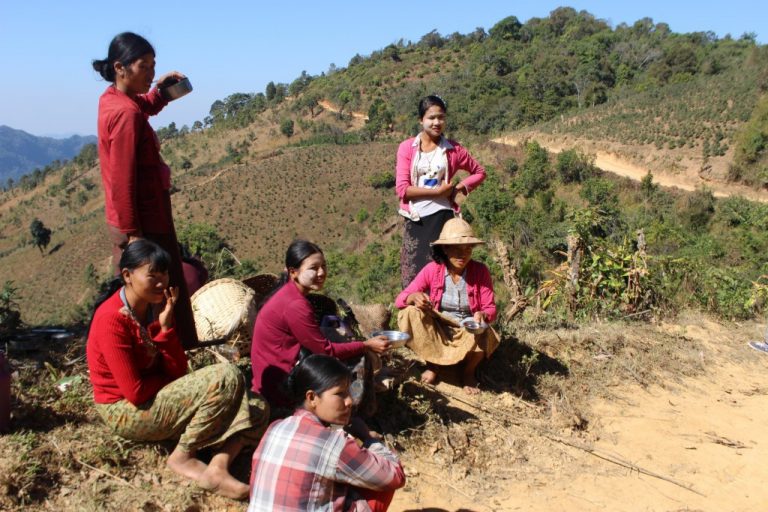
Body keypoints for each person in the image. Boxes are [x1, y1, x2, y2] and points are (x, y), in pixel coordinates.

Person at [86, 240, 269, 500]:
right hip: (124, 410)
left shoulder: (150, 310)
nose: (162, 282)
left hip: (152, 397)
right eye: (153, 275)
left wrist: (165, 327)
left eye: (165, 274)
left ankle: (219, 464)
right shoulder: (111, 320)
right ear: (127, 275)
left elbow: (176, 371)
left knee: (258, 407)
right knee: (226, 376)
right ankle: (184, 455)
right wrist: (175, 384)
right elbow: (135, 392)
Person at [92, 32, 198, 348]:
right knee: (161, 293)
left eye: (153, 65)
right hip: (145, 225)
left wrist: (161, 93)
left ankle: (162, 353)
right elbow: (123, 180)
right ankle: (169, 354)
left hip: (143, 221)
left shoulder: (115, 100)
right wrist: (134, 236)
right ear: (120, 67)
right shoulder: (124, 114)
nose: (150, 72)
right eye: (144, 66)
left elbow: (142, 106)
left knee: (150, 295)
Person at [248, 354, 405, 511]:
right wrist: (367, 438)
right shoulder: (333, 443)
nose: (350, 401)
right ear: (312, 398)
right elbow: (394, 476)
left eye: (348, 392)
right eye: (340, 393)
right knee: (378, 486)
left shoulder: (275, 427)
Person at [250, 240, 389, 410]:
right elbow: (325, 351)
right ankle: (350, 414)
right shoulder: (295, 304)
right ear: (293, 272)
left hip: (269, 376)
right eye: (314, 268)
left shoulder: (286, 292)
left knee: (327, 332)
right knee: (358, 357)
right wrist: (366, 345)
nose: (322, 272)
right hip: (281, 387)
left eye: (323, 266)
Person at [395, 218, 499, 394]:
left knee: (485, 331)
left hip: (466, 329)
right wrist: (413, 297)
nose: (463, 255)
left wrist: (483, 315)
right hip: (439, 327)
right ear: (445, 248)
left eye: (467, 249)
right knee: (410, 313)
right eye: (457, 249)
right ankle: (434, 365)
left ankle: (467, 372)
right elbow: (400, 300)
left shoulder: (480, 271)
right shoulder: (432, 270)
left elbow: (491, 308)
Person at [395, 95, 487, 288]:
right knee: (414, 275)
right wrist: (437, 193)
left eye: (441, 117)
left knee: (442, 274)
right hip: (416, 219)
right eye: (431, 118)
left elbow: (479, 172)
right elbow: (403, 190)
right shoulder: (407, 148)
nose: (437, 122)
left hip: (443, 219)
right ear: (421, 120)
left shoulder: (453, 149)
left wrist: (461, 187)